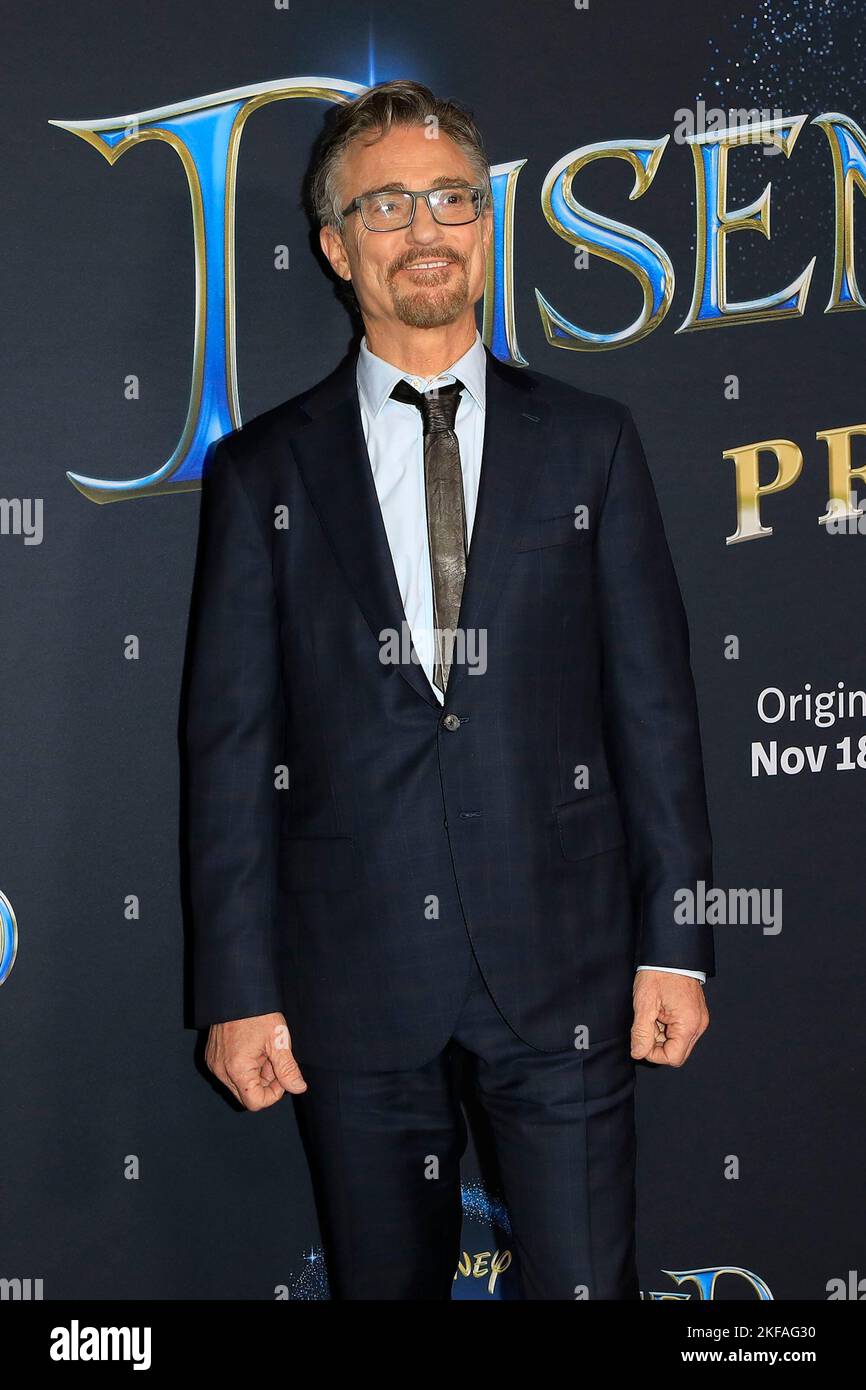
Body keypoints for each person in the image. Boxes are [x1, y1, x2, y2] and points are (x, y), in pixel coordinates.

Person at [183, 79, 715, 1300]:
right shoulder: (260, 469)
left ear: (484, 222)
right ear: (333, 245)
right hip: (349, 972)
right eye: (385, 207)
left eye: (451, 199)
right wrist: (236, 986)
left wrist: (674, 944)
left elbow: (654, 711)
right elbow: (226, 746)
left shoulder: (593, 441)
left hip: (568, 964)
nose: (425, 229)